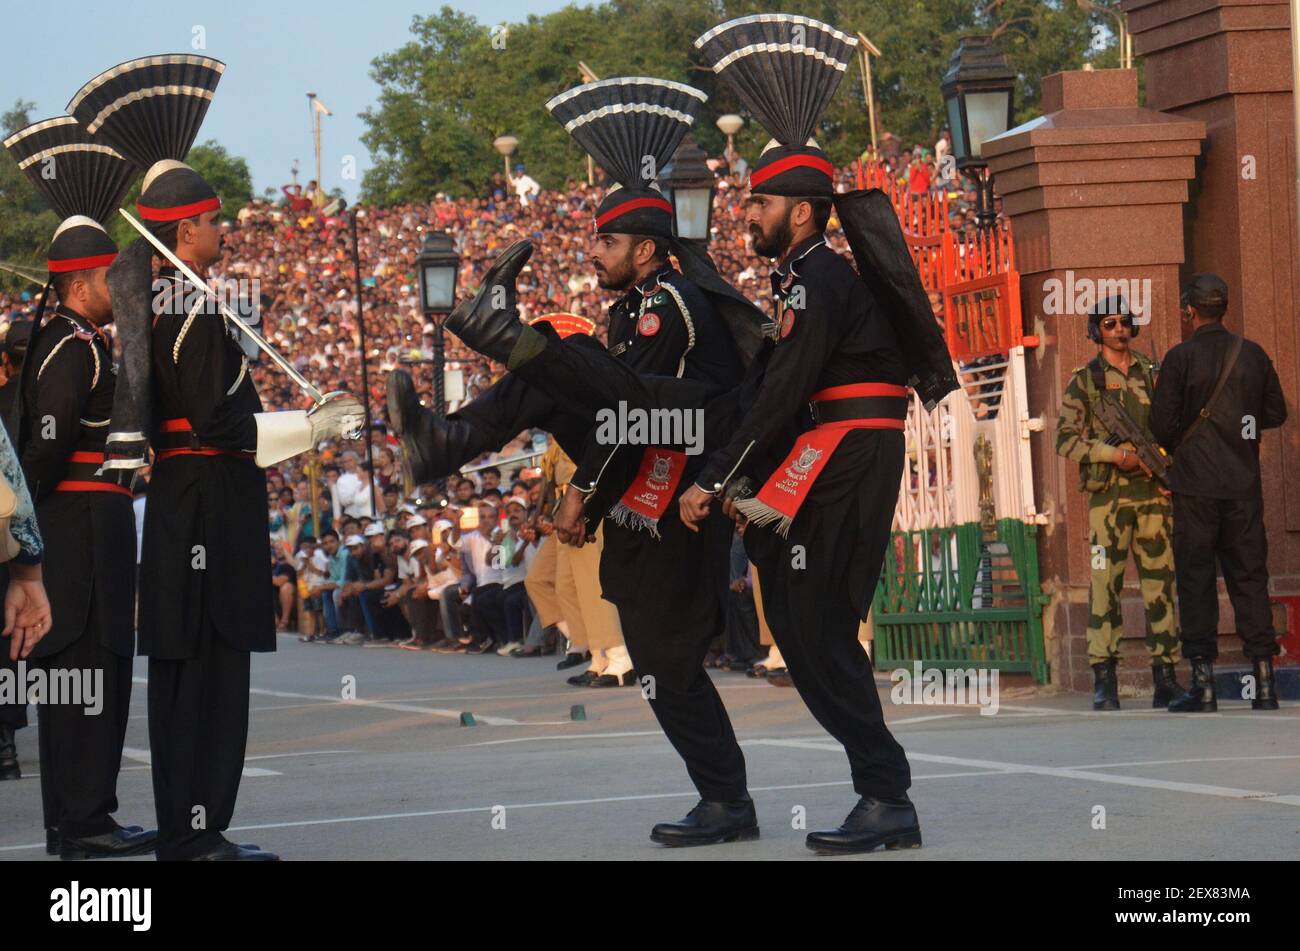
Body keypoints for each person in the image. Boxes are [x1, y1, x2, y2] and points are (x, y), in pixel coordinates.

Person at [81, 57, 362, 860]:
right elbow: (221, 424)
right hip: (206, 494)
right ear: (183, 231)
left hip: (186, 496)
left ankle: (187, 829)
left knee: (189, 672)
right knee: (207, 670)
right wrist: (312, 428)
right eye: (213, 221)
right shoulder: (187, 310)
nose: (223, 231)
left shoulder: (178, 305)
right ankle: (198, 833)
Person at [3, 115, 157, 859]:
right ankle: (85, 818)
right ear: (82, 281)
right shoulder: (72, 350)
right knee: (91, 668)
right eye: (109, 279)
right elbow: (48, 448)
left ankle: (76, 817)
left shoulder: (68, 343)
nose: (117, 289)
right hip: (81, 530)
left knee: (76, 678)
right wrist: (23, 541)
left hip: (75, 525)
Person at [1149, 273, 1288, 711]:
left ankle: (1203, 685)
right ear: (1223, 307)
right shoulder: (1253, 354)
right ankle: (1265, 682)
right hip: (1243, 487)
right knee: (1250, 577)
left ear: (1190, 310)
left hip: (1195, 488)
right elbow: (1275, 412)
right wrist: (1239, 430)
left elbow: (1160, 425)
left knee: (1196, 580)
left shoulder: (1179, 358)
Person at [1055, 297, 1187, 710]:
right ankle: (1104, 680)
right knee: (1103, 587)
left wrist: (1165, 470)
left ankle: (1165, 677)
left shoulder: (1153, 373)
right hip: (1107, 499)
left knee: (1160, 586)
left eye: (1125, 322)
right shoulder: (1086, 381)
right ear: (1096, 331)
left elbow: (1174, 426)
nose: (1119, 329)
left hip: (1151, 495)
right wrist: (1114, 455)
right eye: (1109, 323)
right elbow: (1065, 440)